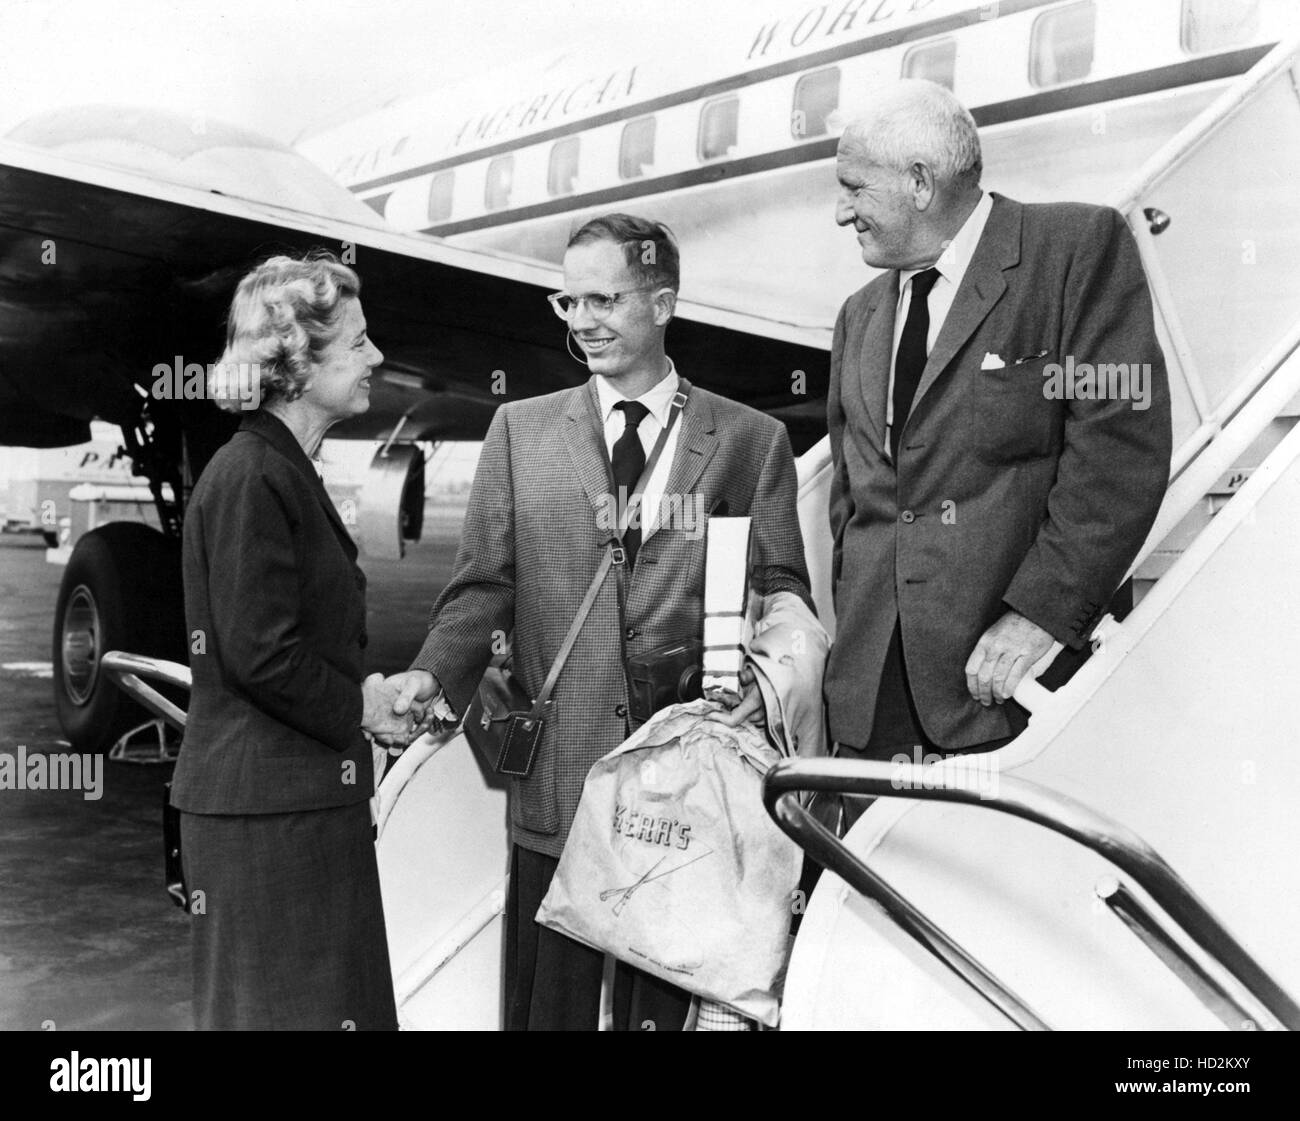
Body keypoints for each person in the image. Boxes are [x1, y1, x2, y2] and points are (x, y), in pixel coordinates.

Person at [386, 214, 813, 1031]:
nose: (582, 321)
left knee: (664, 1008)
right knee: (551, 1010)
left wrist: (767, 681)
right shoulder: (522, 430)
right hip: (560, 778)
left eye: (603, 299)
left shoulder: (751, 441)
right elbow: (482, 585)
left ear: (662, 301)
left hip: (682, 789)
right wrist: (432, 674)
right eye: (567, 301)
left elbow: (785, 586)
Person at [824, 80, 1172, 763]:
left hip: (1007, 690)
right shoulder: (857, 315)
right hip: (872, 705)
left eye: (854, 188)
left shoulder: (1074, 250)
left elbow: (1118, 456)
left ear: (920, 182)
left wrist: (1038, 616)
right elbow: (853, 502)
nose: (842, 212)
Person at [170, 252, 425, 1030]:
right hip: (267, 817)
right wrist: (365, 708)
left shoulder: (281, 469)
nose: (376, 357)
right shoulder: (252, 475)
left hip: (293, 805)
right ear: (296, 364)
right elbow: (261, 655)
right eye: (356, 343)